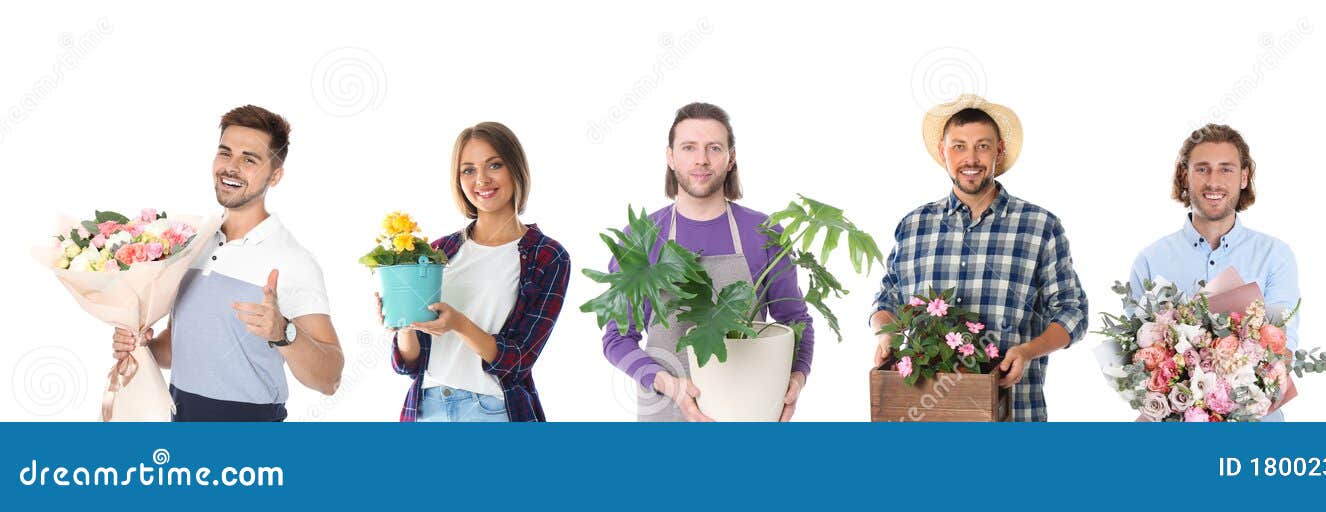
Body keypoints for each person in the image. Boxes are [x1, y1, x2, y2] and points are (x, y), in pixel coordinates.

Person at [110, 105, 343, 421]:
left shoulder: (293, 262)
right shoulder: (192, 245)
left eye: (249, 159)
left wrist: (282, 332)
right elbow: (177, 350)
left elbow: (330, 379)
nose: (231, 167)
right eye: (225, 153)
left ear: (275, 176)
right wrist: (141, 346)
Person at [870, 94, 1089, 422]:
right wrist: (887, 333)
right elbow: (886, 300)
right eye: (958, 146)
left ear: (999, 151)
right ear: (943, 152)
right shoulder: (914, 226)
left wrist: (1026, 352)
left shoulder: (1040, 226)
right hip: (924, 418)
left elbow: (1074, 312)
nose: (970, 158)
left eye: (982, 146)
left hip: (1014, 414)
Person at [600, 102, 814, 422]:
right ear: (670, 156)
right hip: (665, 413)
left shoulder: (764, 233)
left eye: (714, 148)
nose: (701, 159)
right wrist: (670, 386)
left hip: (748, 412)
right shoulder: (641, 238)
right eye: (689, 147)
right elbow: (617, 338)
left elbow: (794, 320)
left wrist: (796, 379)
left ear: (731, 158)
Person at [381, 122, 570, 422]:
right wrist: (404, 323)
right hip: (426, 408)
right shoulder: (439, 252)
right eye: (468, 170)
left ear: (515, 169)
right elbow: (410, 364)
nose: (481, 179)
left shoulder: (546, 256)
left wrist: (459, 323)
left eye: (494, 165)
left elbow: (518, 361)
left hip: (491, 411)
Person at [1127, 124, 1300, 420]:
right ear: (1185, 175)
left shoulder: (1275, 256)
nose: (1214, 182)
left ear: (1244, 177)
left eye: (1226, 170)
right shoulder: (1151, 260)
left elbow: (1282, 350)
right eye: (1203, 169)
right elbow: (1135, 356)